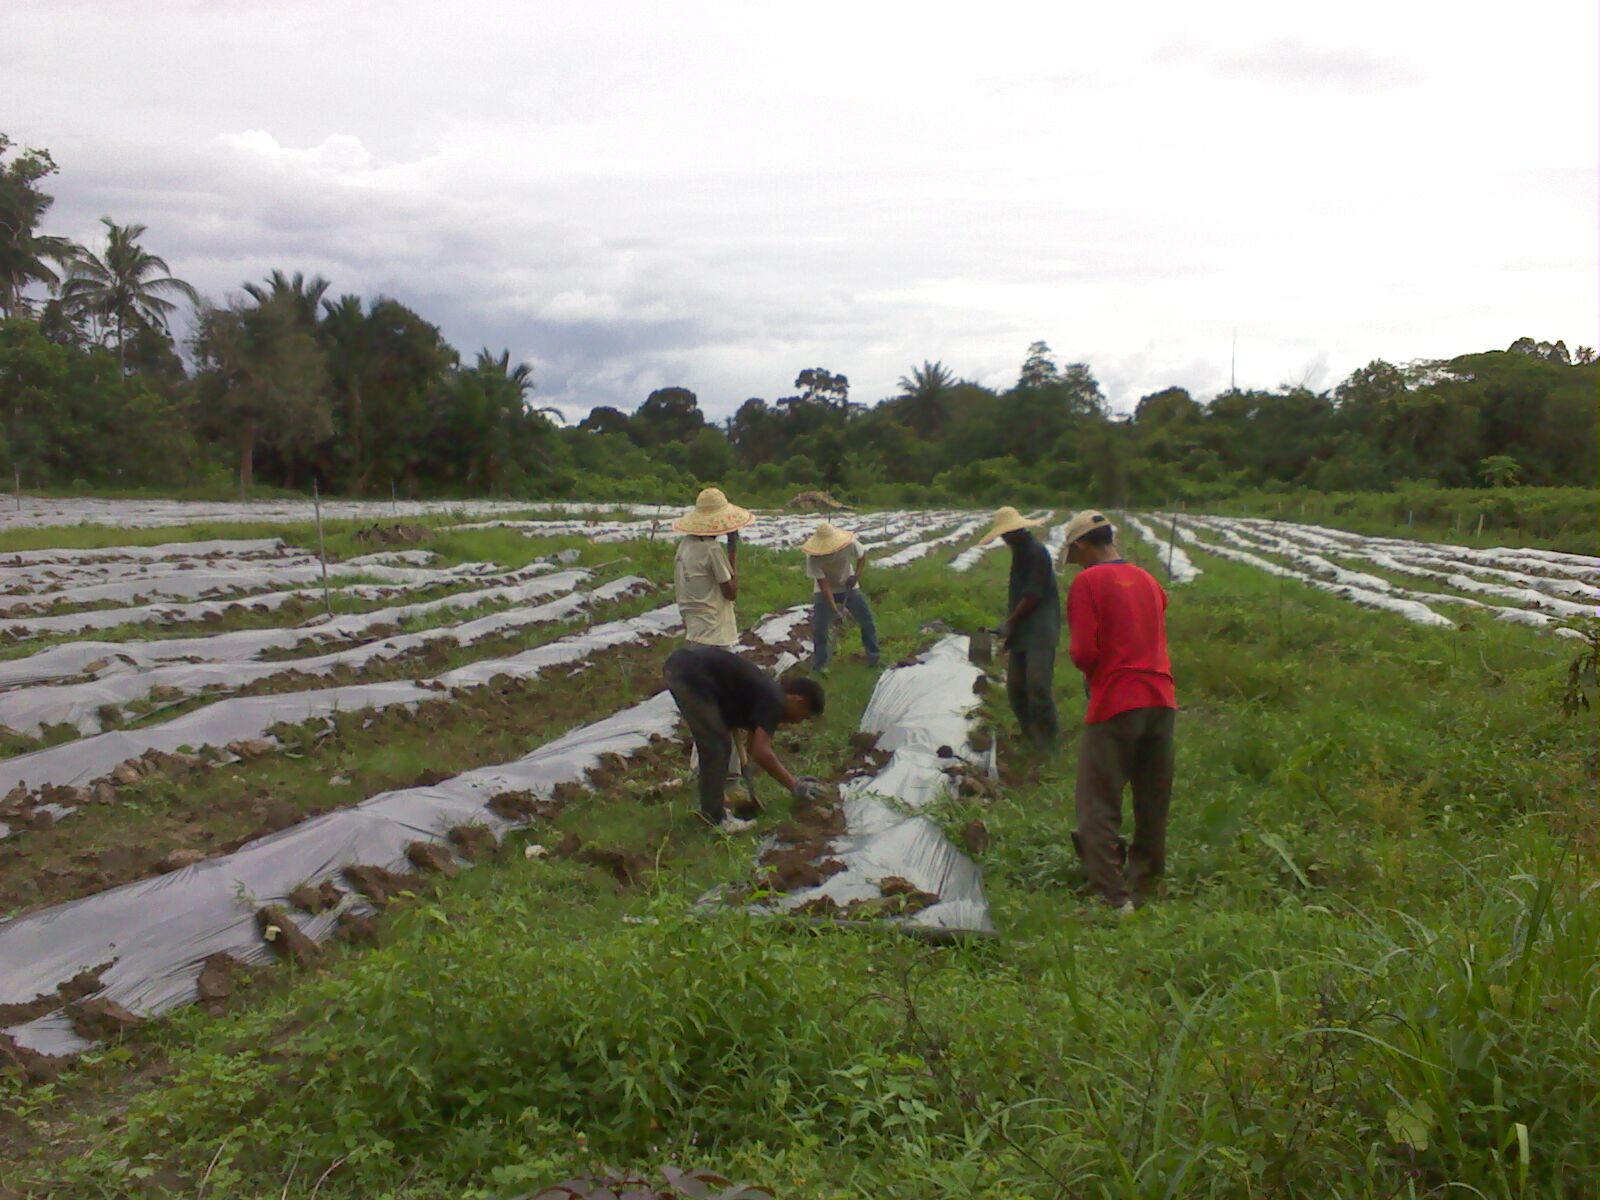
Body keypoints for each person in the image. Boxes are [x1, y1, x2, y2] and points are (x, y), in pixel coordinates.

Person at [1060, 510, 1177, 913]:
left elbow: (1083, 652)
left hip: (1116, 699)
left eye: (1073, 553)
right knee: (1152, 799)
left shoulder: (1088, 582)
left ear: (1081, 546)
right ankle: (1144, 885)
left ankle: (1112, 897)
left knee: (1098, 801)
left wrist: (1094, 674)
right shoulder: (1149, 580)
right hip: (1161, 699)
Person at [663, 645, 827, 832]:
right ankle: (714, 819)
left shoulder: (767, 693)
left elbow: (751, 745)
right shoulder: (775, 700)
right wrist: (794, 785)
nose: (798, 722)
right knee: (716, 746)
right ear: (798, 701)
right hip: (690, 672)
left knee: (718, 743)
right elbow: (760, 751)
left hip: (687, 667)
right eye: (803, 716)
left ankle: (708, 807)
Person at [671, 486, 756, 804]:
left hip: (695, 634)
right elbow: (731, 590)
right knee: (727, 710)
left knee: (704, 709)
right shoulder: (712, 551)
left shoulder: (684, 548)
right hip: (717, 638)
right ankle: (731, 777)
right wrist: (733, 549)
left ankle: (699, 767)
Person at [976, 506, 1061, 754]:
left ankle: (1047, 744)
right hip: (1024, 631)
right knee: (1015, 689)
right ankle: (1030, 736)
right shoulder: (1020, 551)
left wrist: (1010, 622)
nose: (1003, 540)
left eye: (1005, 535)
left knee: (1037, 688)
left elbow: (1032, 595)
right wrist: (1011, 630)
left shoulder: (1034, 552)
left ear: (1014, 532)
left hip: (1039, 631)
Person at [801, 521, 880, 672]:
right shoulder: (813, 557)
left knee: (867, 621)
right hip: (824, 591)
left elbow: (862, 556)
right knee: (820, 628)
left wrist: (856, 576)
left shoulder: (848, 544)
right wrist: (835, 611)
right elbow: (824, 584)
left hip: (849, 585)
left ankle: (873, 659)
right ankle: (820, 665)